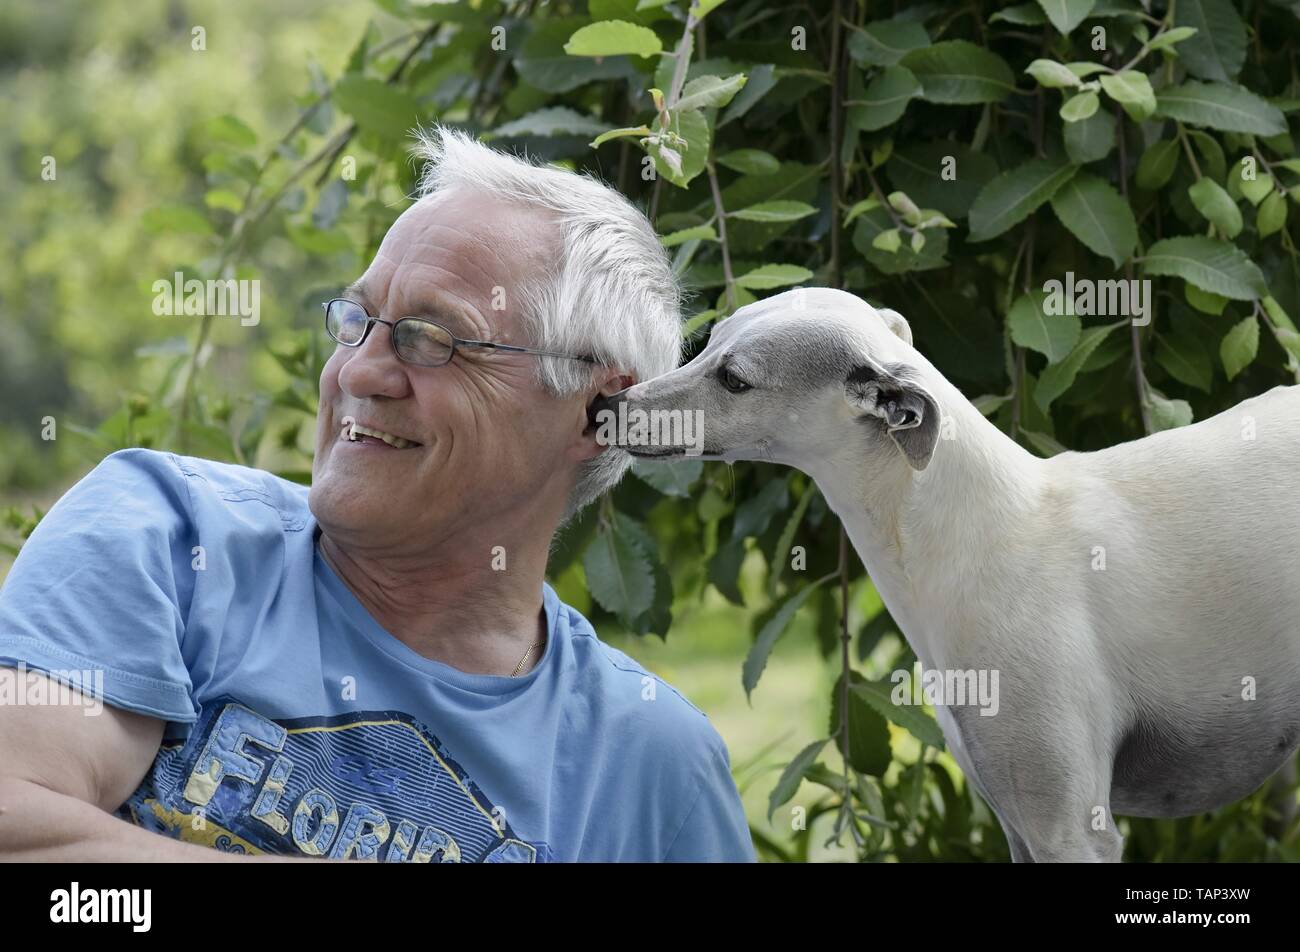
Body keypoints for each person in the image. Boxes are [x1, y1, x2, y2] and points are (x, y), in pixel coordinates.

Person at [0, 125, 756, 863]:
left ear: (599, 410)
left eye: (433, 339)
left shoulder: (653, 770)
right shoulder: (166, 539)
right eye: (358, 320)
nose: (358, 372)